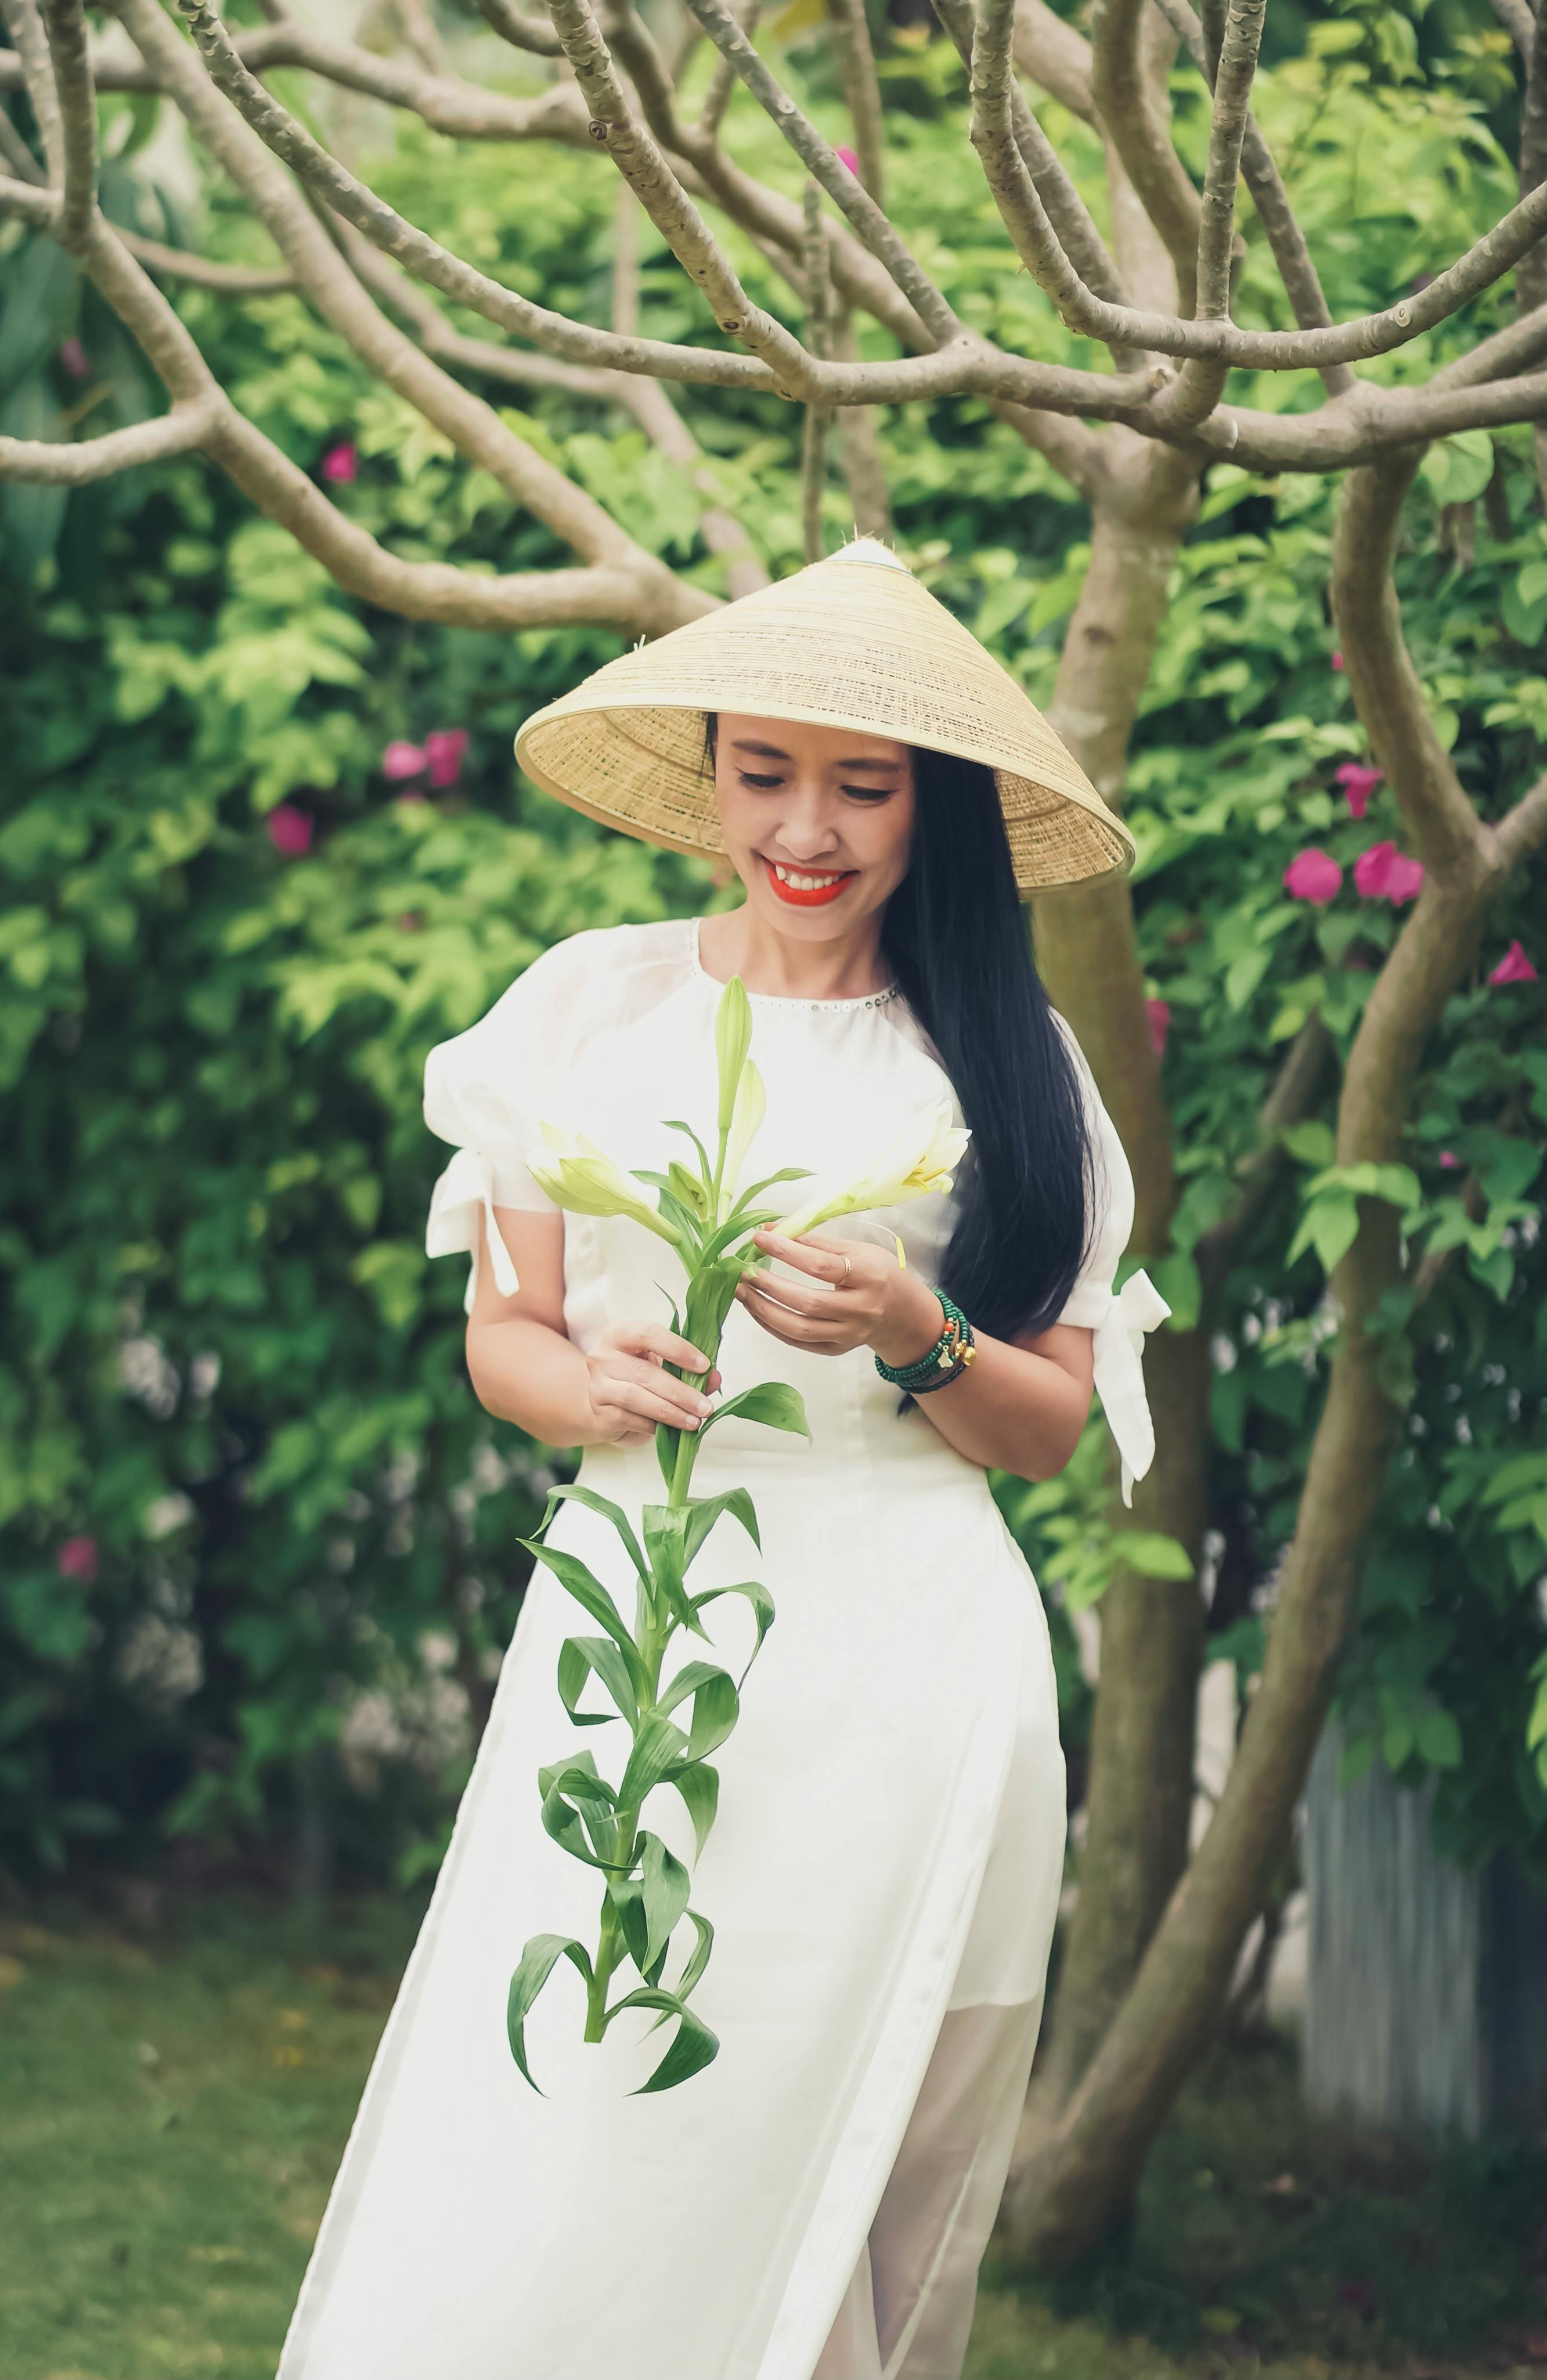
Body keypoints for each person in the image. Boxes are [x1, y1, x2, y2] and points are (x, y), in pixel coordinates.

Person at [275, 538, 1168, 2380]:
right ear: (709, 771)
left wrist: (911, 1335)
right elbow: (501, 1338)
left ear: (935, 805)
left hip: (906, 1662)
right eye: (765, 773)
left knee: (854, 2129)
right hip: (633, 1648)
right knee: (582, 2095)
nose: (808, 829)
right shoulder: (587, 1009)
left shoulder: (1007, 1064)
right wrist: (581, 1379)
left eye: (862, 784)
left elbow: (1052, 1426)